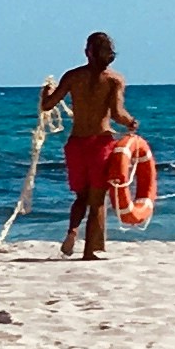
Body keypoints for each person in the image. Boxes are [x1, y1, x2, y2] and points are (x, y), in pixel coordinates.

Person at [43, 32, 131, 260]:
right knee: (97, 200)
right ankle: (91, 250)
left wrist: (46, 92)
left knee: (81, 196)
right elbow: (117, 114)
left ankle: (72, 231)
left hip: (76, 144)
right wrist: (131, 122)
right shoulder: (114, 80)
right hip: (100, 144)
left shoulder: (73, 76)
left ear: (87, 52)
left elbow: (48, 105)